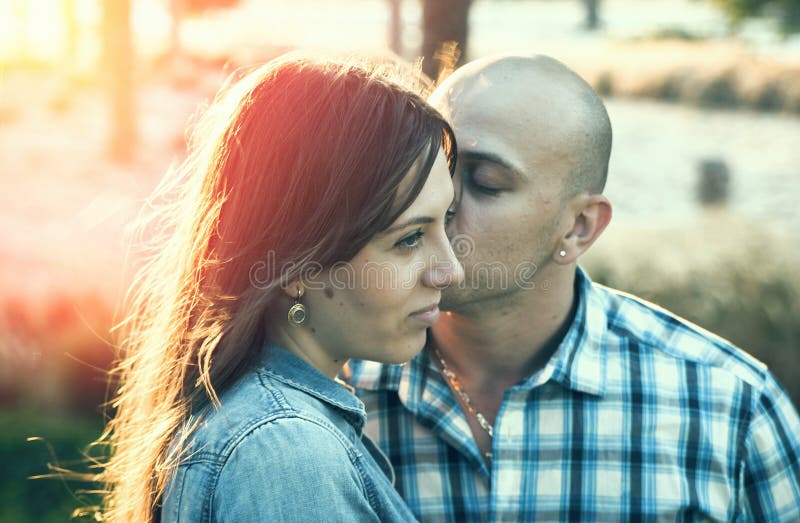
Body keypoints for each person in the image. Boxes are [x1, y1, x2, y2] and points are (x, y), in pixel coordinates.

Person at [345, 54, 800, 521]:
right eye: (434, 170)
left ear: (579, 227)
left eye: (484, 182)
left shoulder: (729, 407)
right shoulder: (336, 387)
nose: (438, 201)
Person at [92, 53, 464, 522]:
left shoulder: (264, 424)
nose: (450, 271)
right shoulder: (285, 453)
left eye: (445, 222)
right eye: (409, 239)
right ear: (296, 265)